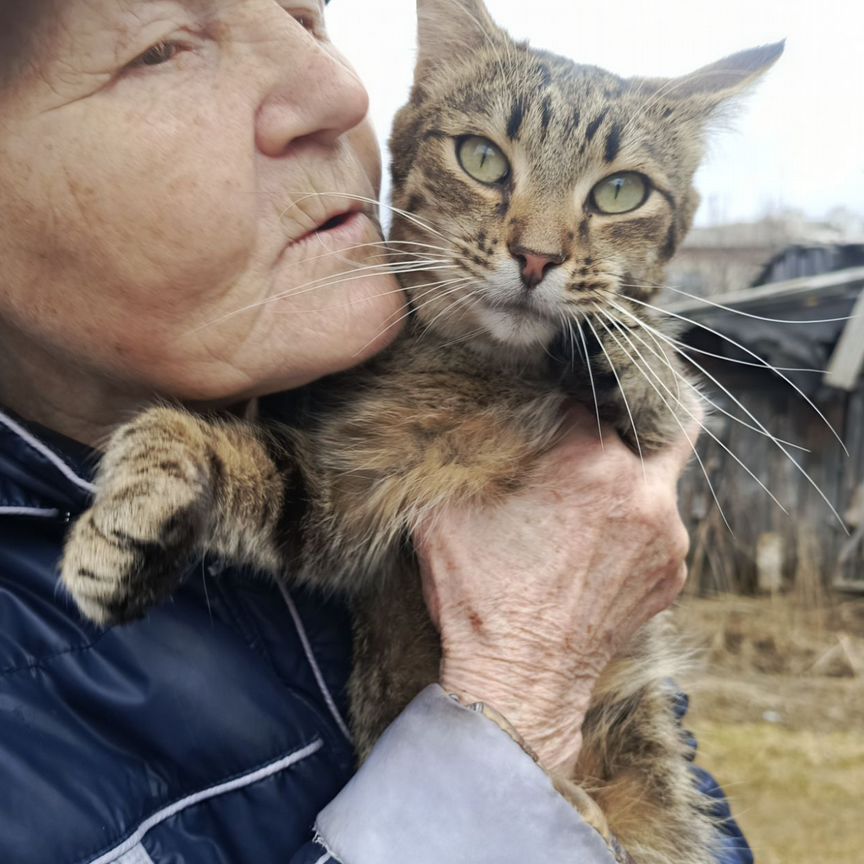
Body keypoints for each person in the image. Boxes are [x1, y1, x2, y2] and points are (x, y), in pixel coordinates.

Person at [0, 2, 752, 862]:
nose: (340, 91)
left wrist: (637, 376)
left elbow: (319, 509)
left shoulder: (327, 372)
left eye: (310, 19)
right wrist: (517, 699)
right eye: (162, 49)